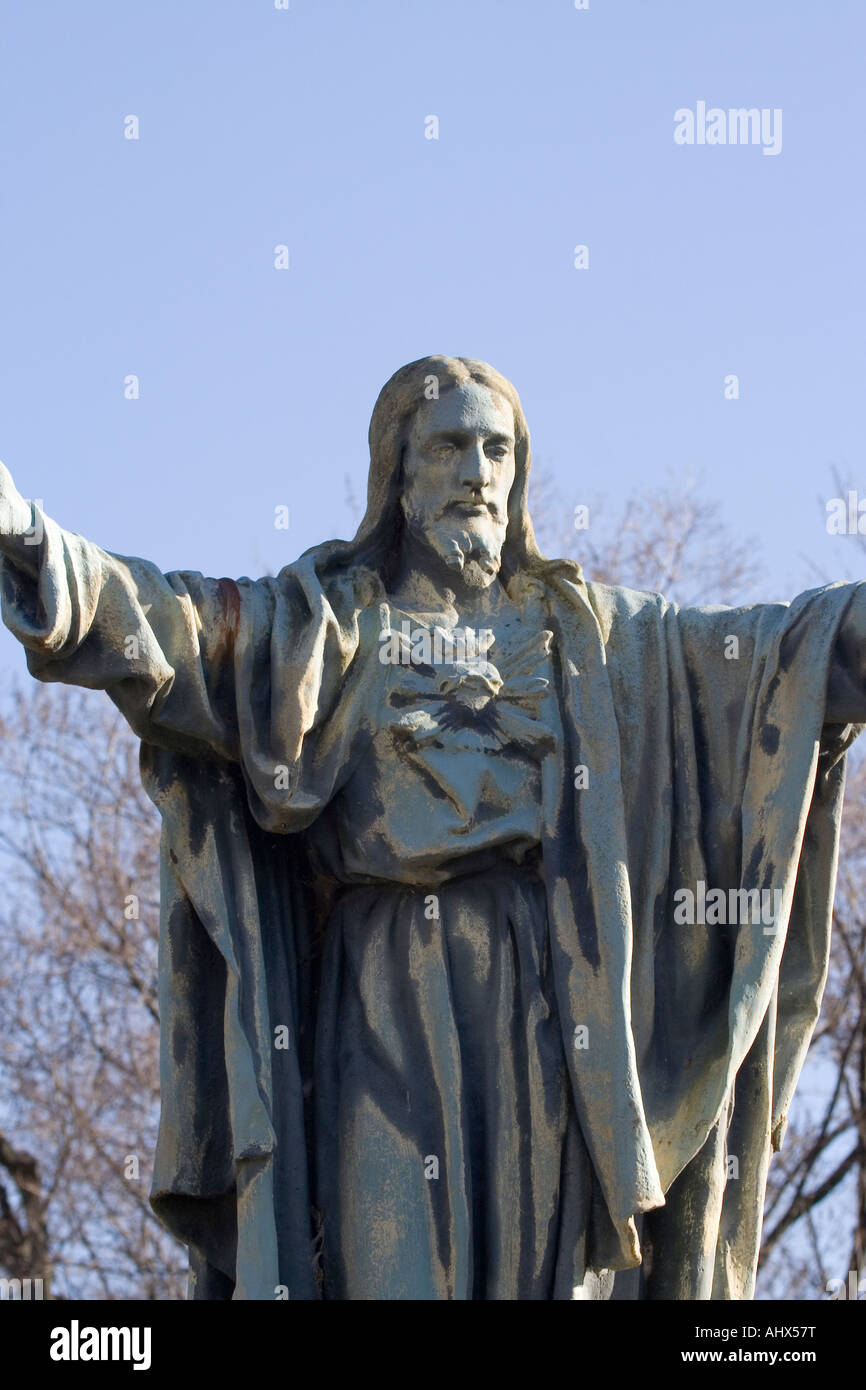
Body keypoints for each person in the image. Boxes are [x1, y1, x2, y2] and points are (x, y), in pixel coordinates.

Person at [1, 355, 864, 1299]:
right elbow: (170, 626)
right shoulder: (324, 626)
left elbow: (777, 655)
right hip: (380, 1001)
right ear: (398, 474)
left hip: (543, 1009)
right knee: (389, 1269)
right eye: (450, 445)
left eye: (498, 449)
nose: (477, 471)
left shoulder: (595, 638)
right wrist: (35, 543)